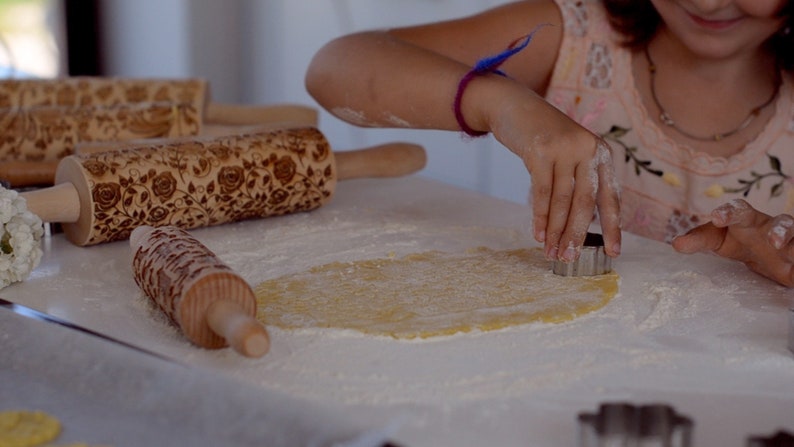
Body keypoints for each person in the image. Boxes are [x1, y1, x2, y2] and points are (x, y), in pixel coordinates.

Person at [305, 0, 794, 286]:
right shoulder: (577, 36)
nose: (708, 2)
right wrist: (500, 102)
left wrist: (773, 261)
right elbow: (337, 67)